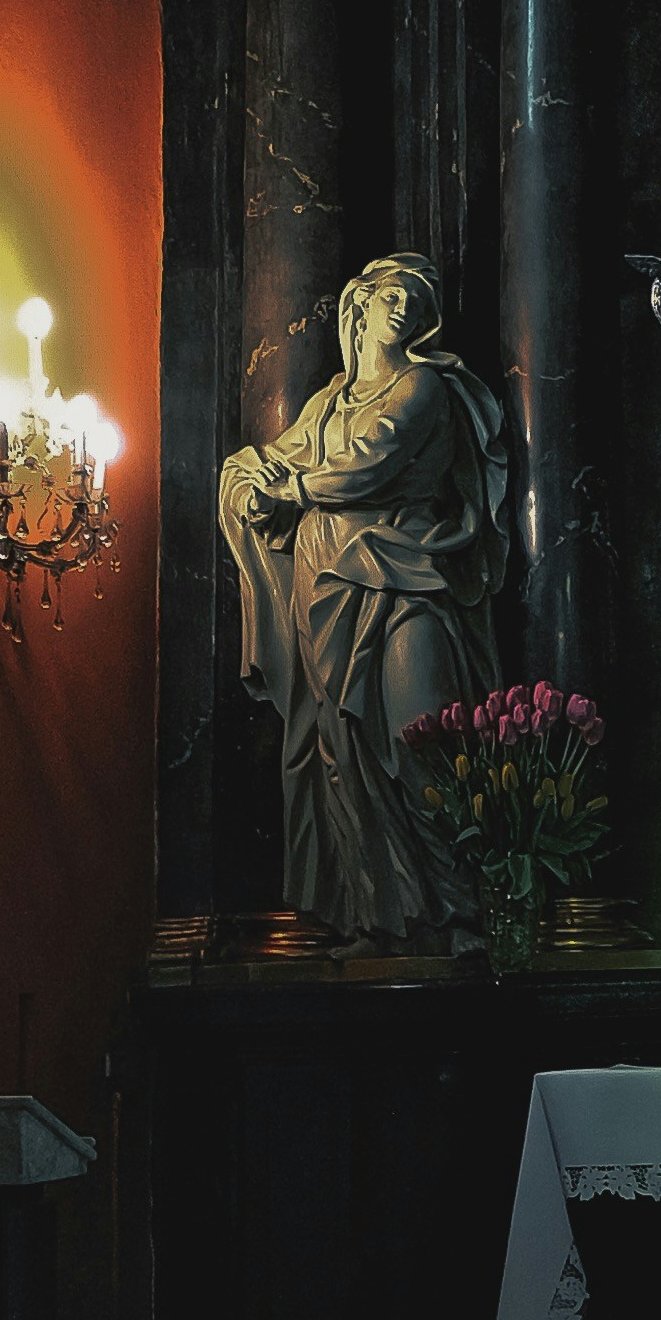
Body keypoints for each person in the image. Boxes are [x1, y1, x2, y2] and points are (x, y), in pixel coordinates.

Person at [216, 259, 506, 944]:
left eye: (418, 300)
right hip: (327, 580)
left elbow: (375, 459)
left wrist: (292, 490)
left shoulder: (423, 385)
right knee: (344, 746)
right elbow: (279, 460)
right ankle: (378, 907)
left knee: (420, 737)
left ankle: (461, 902)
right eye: (394, 294)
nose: (405, 307)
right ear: (362, 305)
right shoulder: (325, 404)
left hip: (408, 570)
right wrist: (253, 482)